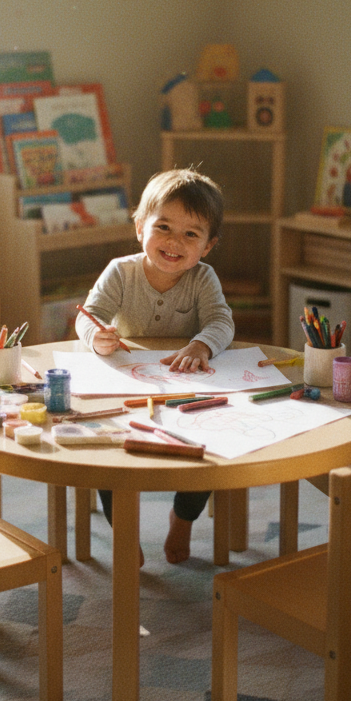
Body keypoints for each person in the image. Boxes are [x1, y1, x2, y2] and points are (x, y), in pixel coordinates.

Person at [74, 167, 234, 563]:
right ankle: (125, 534)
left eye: (190, 234)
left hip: (185, 388)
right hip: (126, 387)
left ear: (208, 246)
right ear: (140, 226)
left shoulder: (203, 278)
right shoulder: (121, 272)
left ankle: (183, 520)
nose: (174, 242)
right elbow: (88, 314)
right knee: (109, 457)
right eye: (163, 227)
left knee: (208, 454)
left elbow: (221, 321)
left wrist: (201, 346)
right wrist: (96, 336)